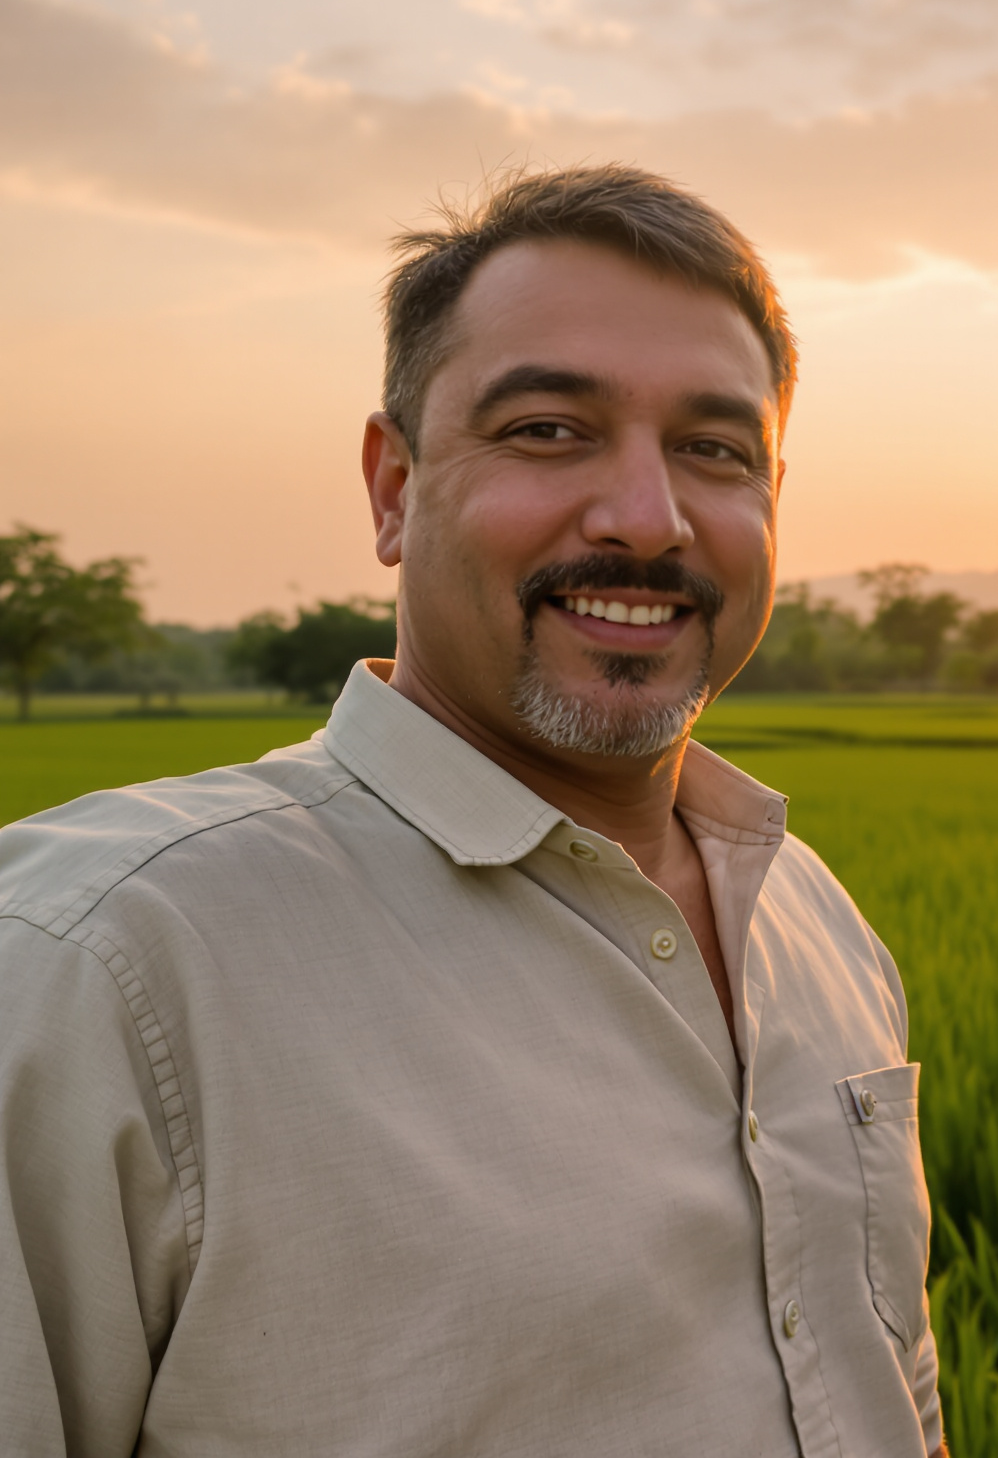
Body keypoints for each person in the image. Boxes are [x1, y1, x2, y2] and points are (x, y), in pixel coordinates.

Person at [0, 166, 946, 1457]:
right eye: (550, 429)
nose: (647, 518)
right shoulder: (99, 964)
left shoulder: (814, 922)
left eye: (715, 452)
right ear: (393, 488)